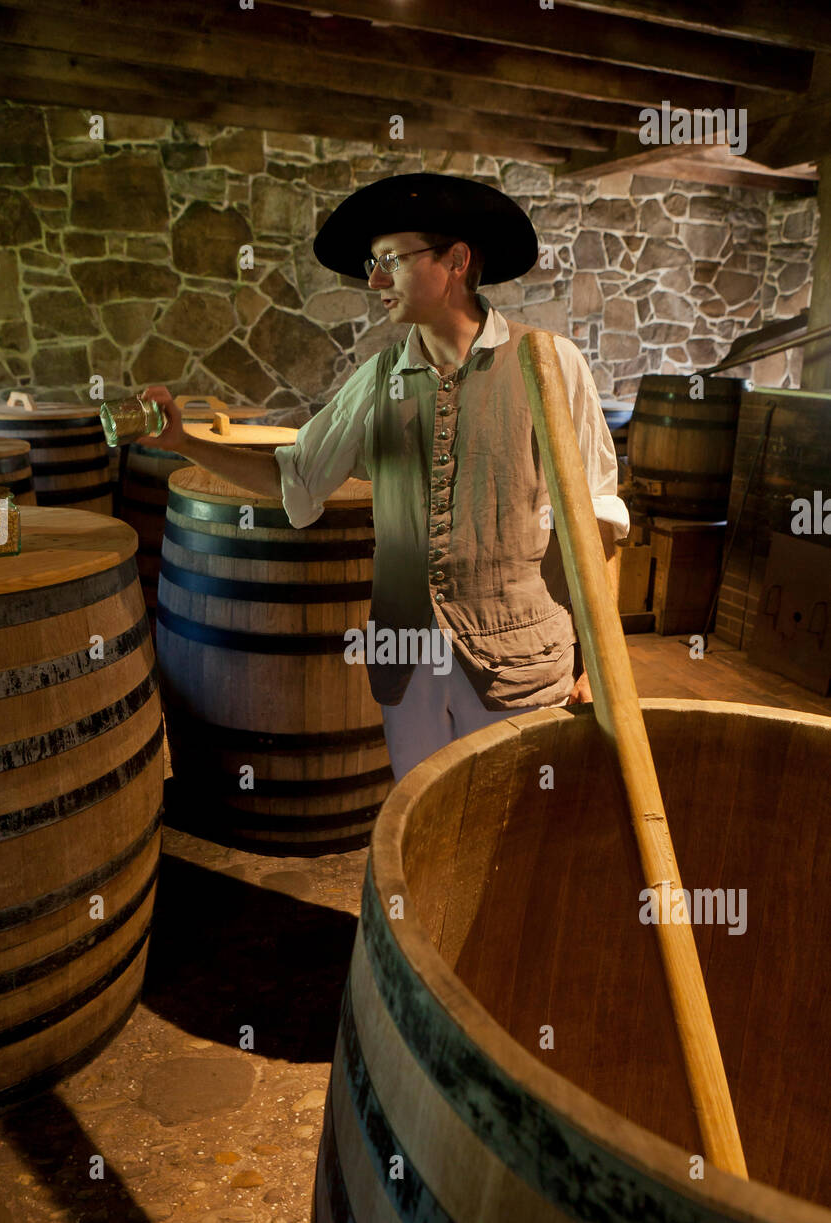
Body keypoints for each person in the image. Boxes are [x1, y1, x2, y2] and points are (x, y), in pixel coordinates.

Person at [141, 173, 629, 781]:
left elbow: (600, 520)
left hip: (522, 659)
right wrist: (184, 441)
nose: (373, 280)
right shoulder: (378, 379)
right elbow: (294, 475)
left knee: (516, 832)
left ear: (456, 260)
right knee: (422, 826)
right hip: (409, 657)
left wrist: (600, 664)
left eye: (390, 261)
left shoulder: (551, 362)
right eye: (373, 264)